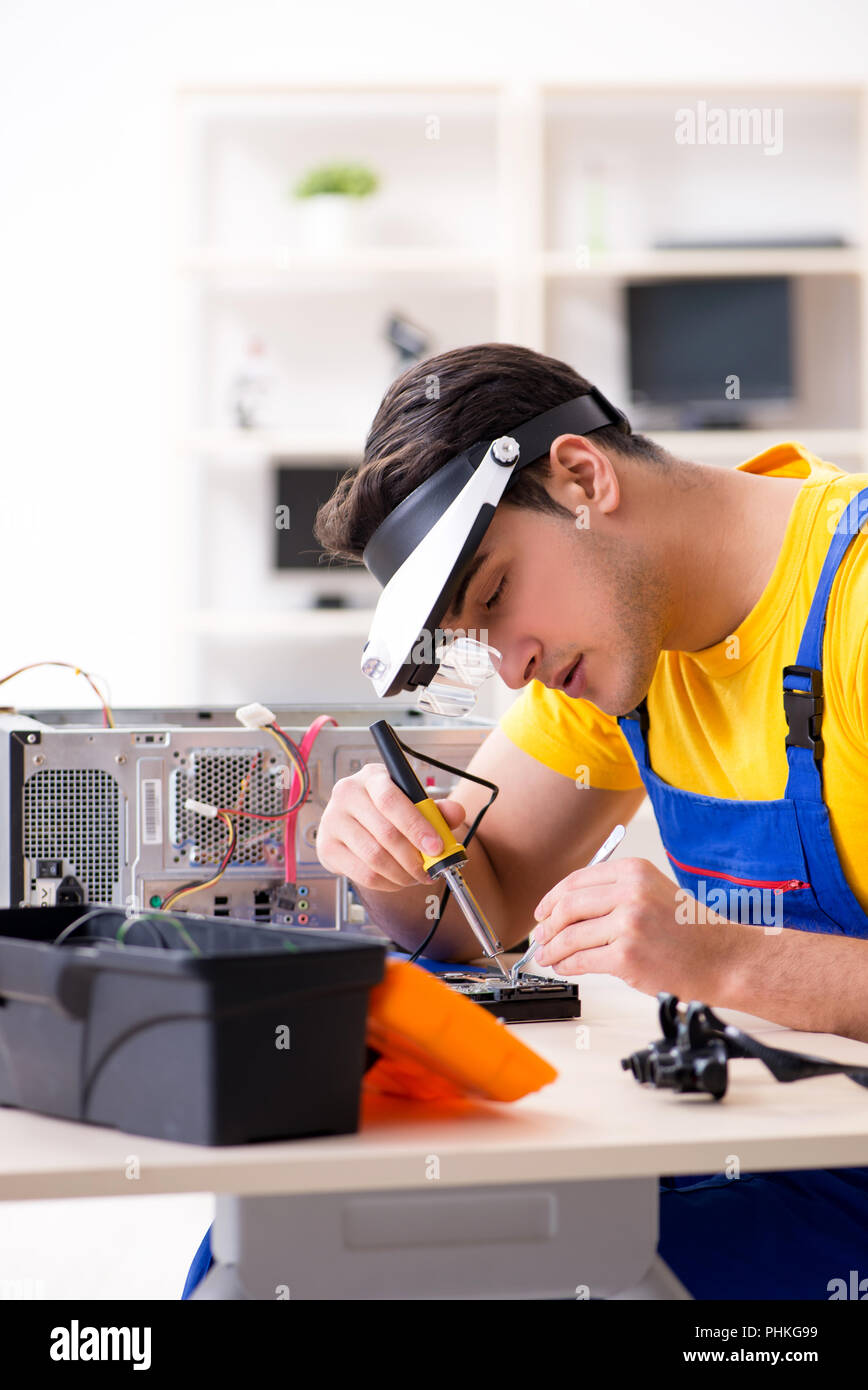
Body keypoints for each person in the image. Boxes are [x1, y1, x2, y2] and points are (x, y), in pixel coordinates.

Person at [308, 342, 868, 1301]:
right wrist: (391, 860)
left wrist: (726, 961)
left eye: (495, 598)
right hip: (763, 1144)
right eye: (477, 641)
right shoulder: (612, 647)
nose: (514, 668)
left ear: (580, 475)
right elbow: (481, 914)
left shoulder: (850, 604)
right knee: (306, 1245)